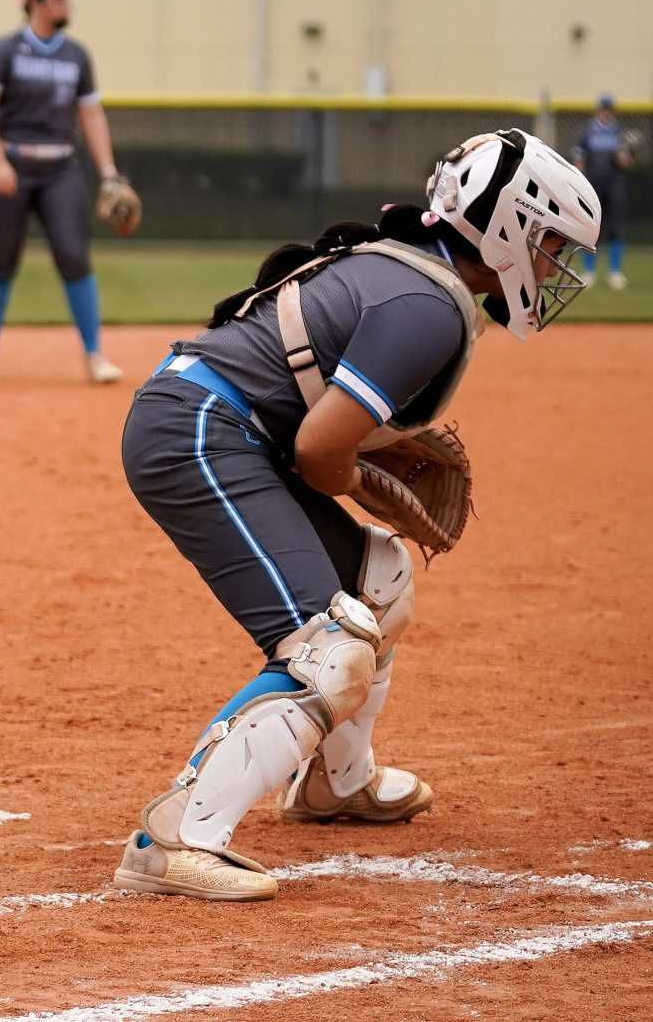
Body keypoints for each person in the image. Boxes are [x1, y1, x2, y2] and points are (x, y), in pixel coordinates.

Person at [110, 129, 599, 901]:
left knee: (382, 577)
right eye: (550, 243)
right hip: (198, 428)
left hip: (212, 419)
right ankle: (174, 837)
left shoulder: (414, 268)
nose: (554, 265)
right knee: (329, 649)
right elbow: (318, 450)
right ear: (508, 227)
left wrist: (351, 464)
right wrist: (360, 478)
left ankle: (335, 783)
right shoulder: (430, 305)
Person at [0, 0, 131, 385]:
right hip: (13, 165)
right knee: (2, 259)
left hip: (59, 168)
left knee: (74, 256)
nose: (65, 5)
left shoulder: (76, 55)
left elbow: (91, 114)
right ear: (34, 2)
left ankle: (95, 355)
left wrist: (109, 172)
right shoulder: (7, 49)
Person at [573, 93, 634, 289]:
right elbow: (579, 155)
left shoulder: (619, 132)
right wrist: (580, 177)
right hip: (593, 185)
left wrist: (627, 158)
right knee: (591, 228)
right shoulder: (589, 131)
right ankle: (589, 271)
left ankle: (614, 272)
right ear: (598, 110)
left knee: (615, 228)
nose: (606, 113)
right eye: (603, 109)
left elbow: (625, 160)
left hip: (614, 183)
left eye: (609, 109)